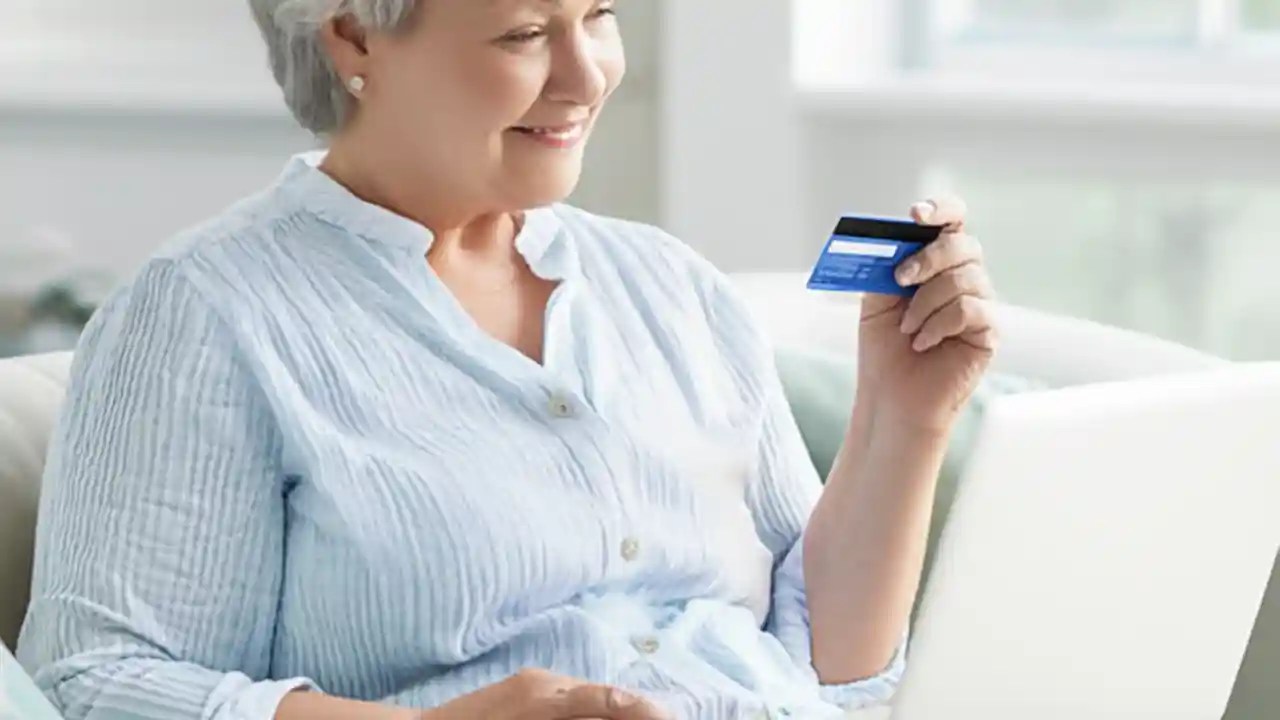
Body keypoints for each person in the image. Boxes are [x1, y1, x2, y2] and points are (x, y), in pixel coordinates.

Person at [16, 1, 999, 718]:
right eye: (525, 35)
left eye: (600, 15)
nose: (587, 76)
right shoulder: (205, 315)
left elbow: (837, 676)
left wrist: (903, 418)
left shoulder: (669, 286)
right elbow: (96, 683)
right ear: (354, 35)